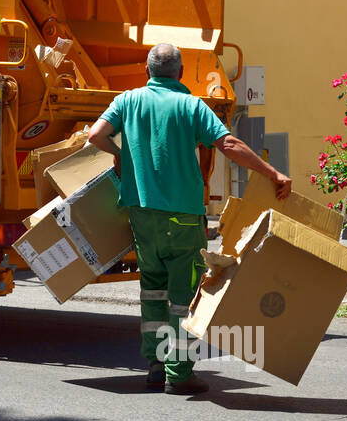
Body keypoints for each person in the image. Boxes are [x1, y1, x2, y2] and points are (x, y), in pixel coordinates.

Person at [88, 43, 292, 395]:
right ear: (180, 73)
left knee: (153, 288)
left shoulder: (128, 100)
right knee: (183, 294)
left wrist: (120, 155)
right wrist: (272, 173)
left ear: (147, 72)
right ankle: (178, 374)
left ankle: (154, 363)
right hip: (181, 215)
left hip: (140, 212)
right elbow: (228, 145)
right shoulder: (191, 105)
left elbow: (95, 135)